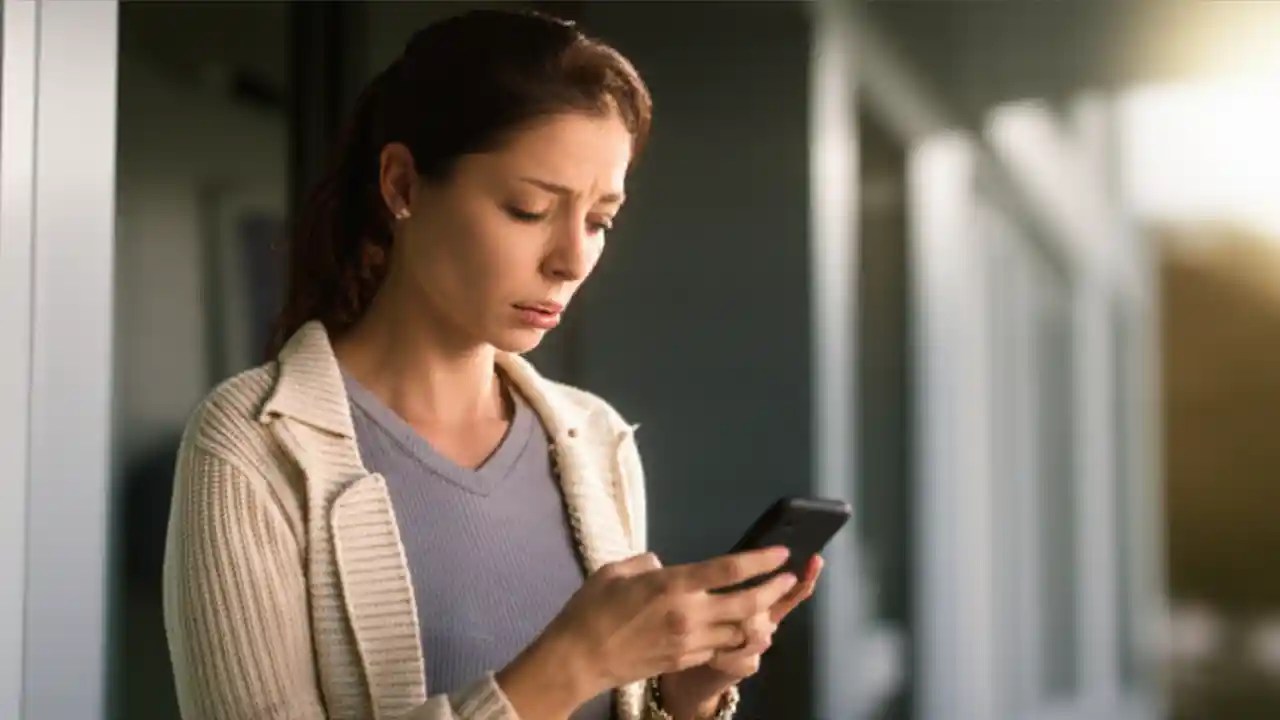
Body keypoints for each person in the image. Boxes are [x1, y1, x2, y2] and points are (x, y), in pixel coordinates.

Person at [162, 10, 823, 720]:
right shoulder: (254, 447)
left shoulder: (594, 440)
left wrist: (684, 696)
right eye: (528, 208)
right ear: (403, 185)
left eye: (599, 221)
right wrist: (570, 665)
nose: (572, 260)